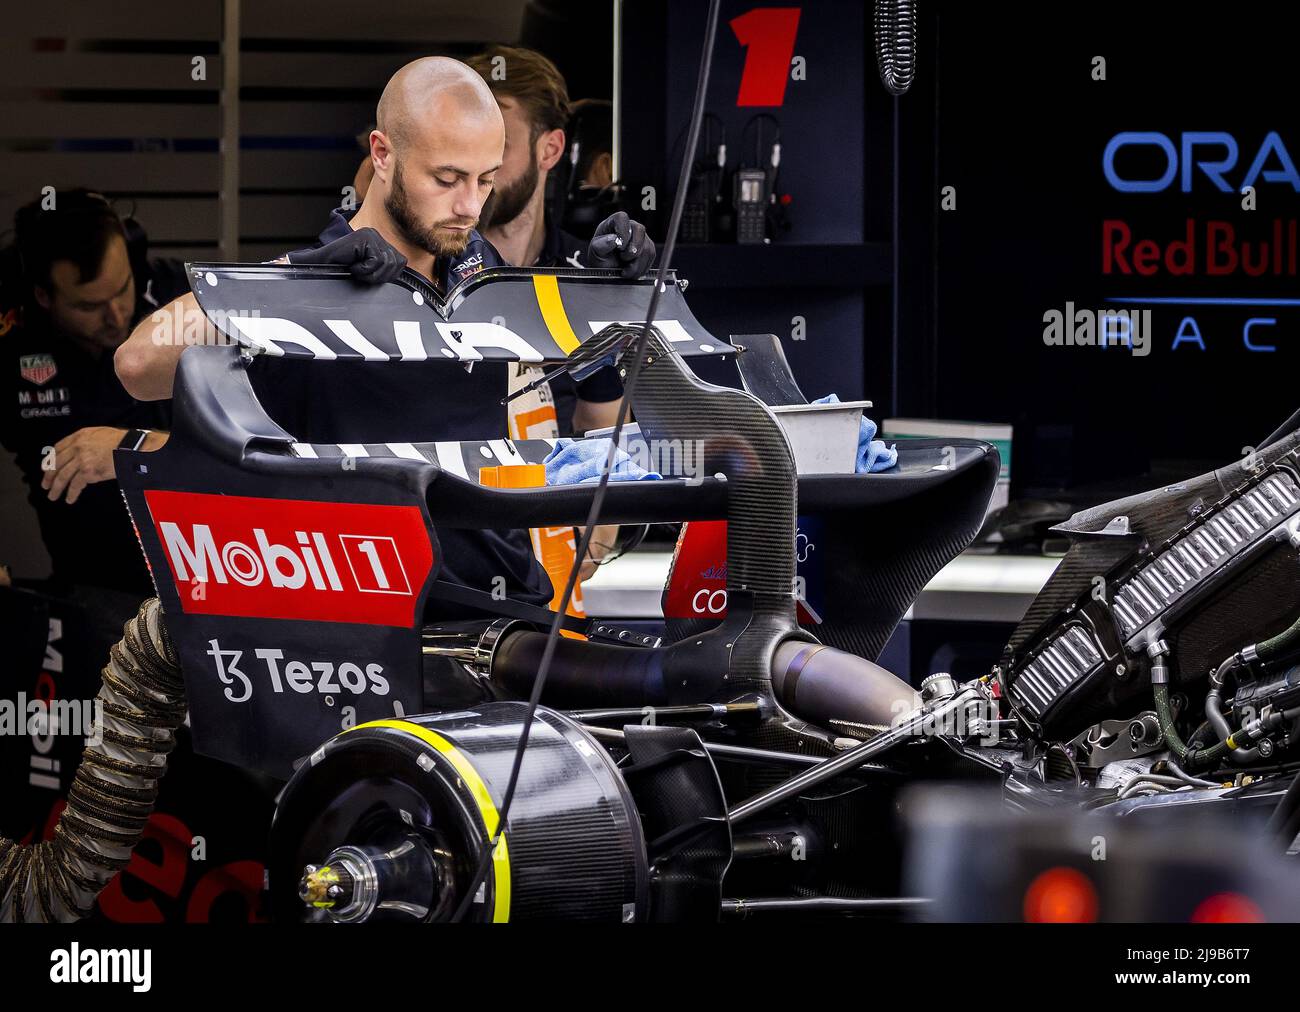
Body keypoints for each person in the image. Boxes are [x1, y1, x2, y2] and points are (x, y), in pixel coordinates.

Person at [115, 56, 654, 616]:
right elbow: (136, 366)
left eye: (485, 180)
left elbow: (595, 405)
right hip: (365, 629)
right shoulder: (305, 286)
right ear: (383, 155)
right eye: (446, 179)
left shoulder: (480, 266)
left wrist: (602, 296)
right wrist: (297, 280)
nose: (469, 206)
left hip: (508, 616)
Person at [0, 190, 183, 603]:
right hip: (90, 588)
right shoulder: (11, 335)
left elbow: (258, 451)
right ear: (43, 296)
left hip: (212, 577)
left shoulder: (186, 306)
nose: (116, 315)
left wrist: (131, 447)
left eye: (122, 289)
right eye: (89, 306)